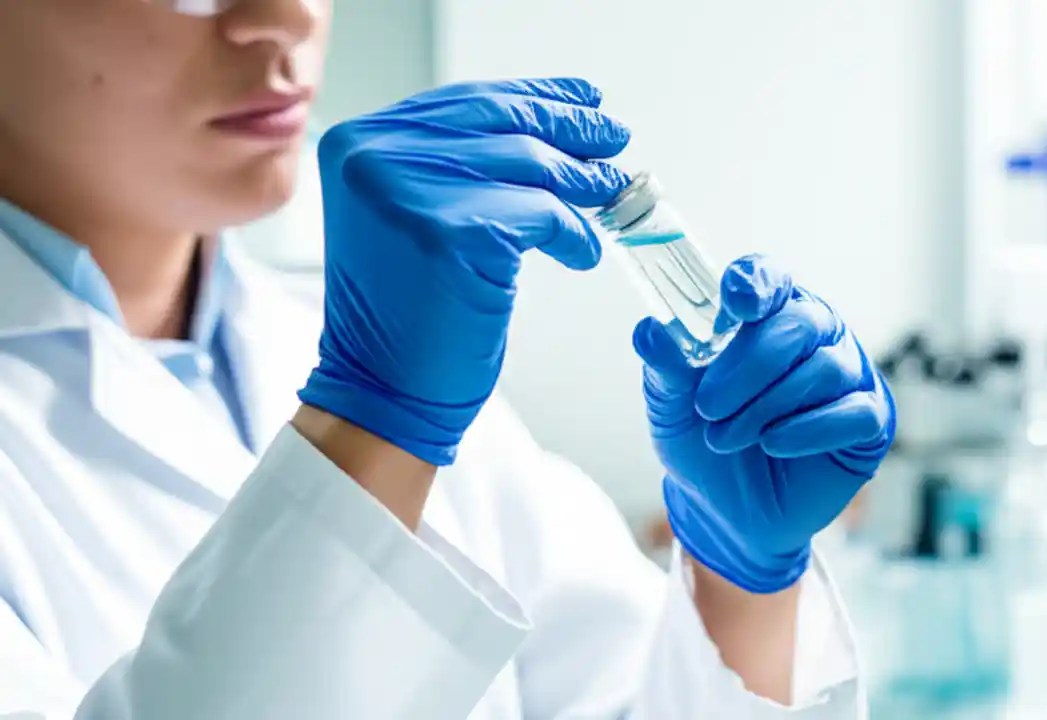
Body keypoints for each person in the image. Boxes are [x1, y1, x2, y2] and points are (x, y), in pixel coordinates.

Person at [0, 1, 896, 718]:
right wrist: (371, 423)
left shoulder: (367, 342)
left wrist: (740, 582)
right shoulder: (386, 375)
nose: (281, 17)